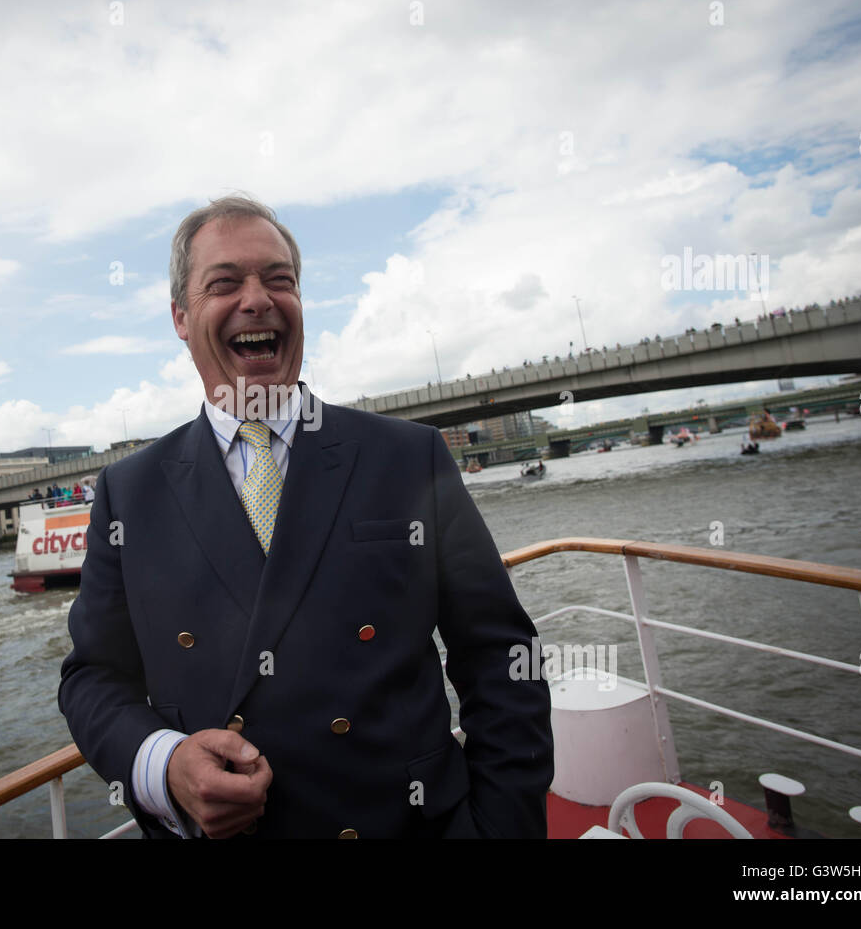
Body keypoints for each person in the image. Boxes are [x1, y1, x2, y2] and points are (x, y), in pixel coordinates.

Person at [58, 195, 553, 839]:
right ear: (181, 317)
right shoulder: (130, 493)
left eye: (279, 279)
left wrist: (501, 830)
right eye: (225, 282)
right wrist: (165, 764)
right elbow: (93, 677)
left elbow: (503, 658)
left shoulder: (409, 457)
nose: (258, 299)